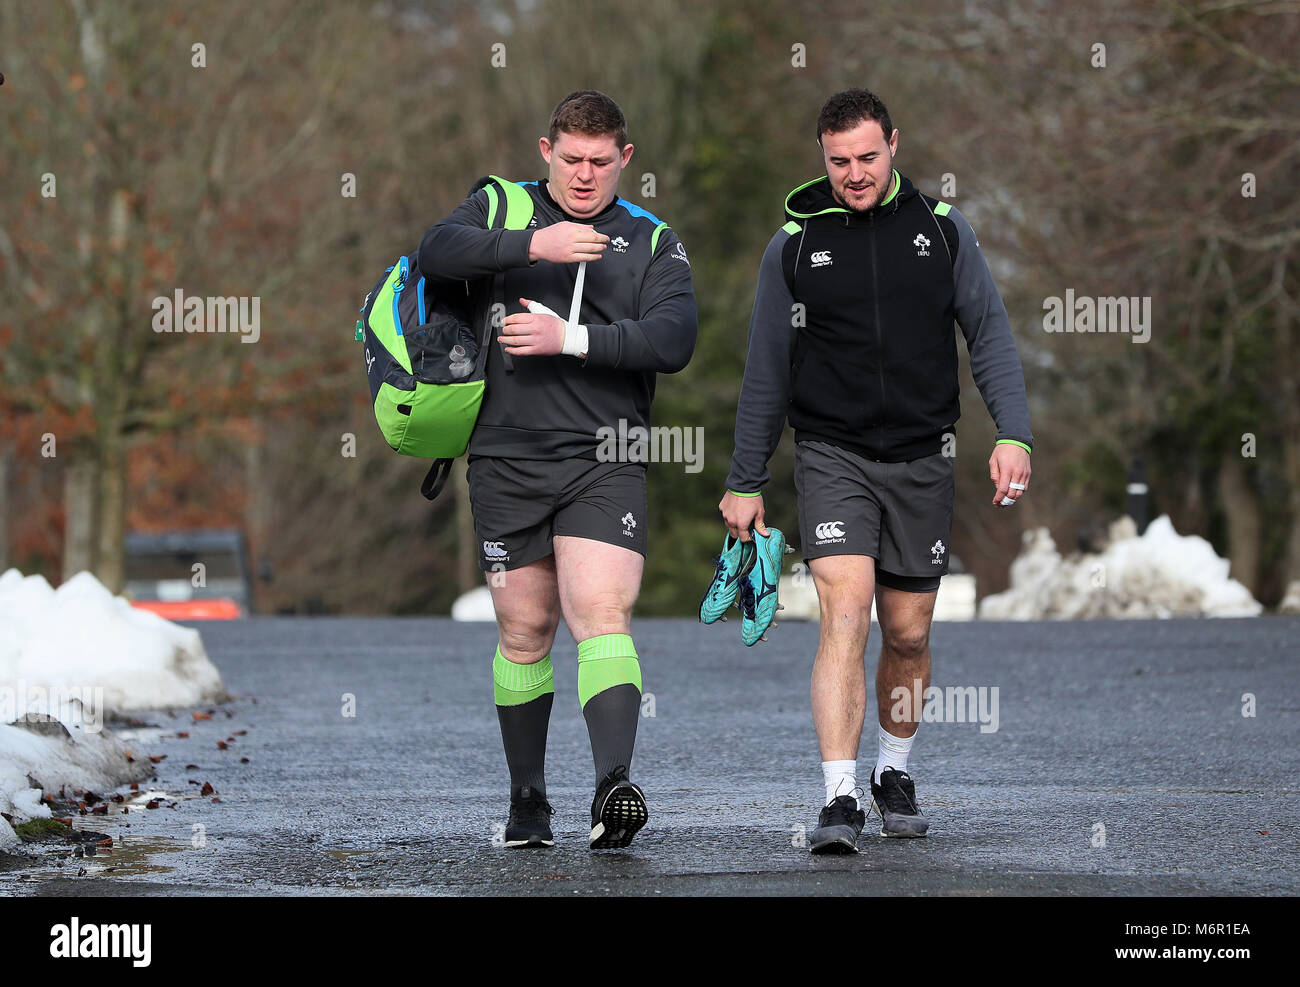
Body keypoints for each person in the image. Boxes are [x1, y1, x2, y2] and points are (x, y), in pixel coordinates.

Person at [718, 88, 1033, 854]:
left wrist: (1013, 433)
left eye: (866, 157)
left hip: (926, 457)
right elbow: (766, 367)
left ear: (894, 142)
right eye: (838, 161)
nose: (853, 174)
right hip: (833, 453)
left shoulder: (944, 231)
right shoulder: (793, 245)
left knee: (908, 630)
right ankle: (838, 795)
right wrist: (745, 476)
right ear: (820, 156)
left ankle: (894, 771)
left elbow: (987, 334)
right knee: (846, 611)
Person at [418, 91, 697, 850]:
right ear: (546, 151)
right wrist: (528, 249)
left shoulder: (650, 239)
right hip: (505, 455)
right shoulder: (501, 209)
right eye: (570, 158)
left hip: (606, 455)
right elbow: (434, 251)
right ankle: (529, 798)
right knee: (525, 627)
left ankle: (613, 786)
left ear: (625, 160)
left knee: (601, 611)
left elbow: (674, 339)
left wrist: (570, 339)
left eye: (600, 162)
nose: (583, 175)